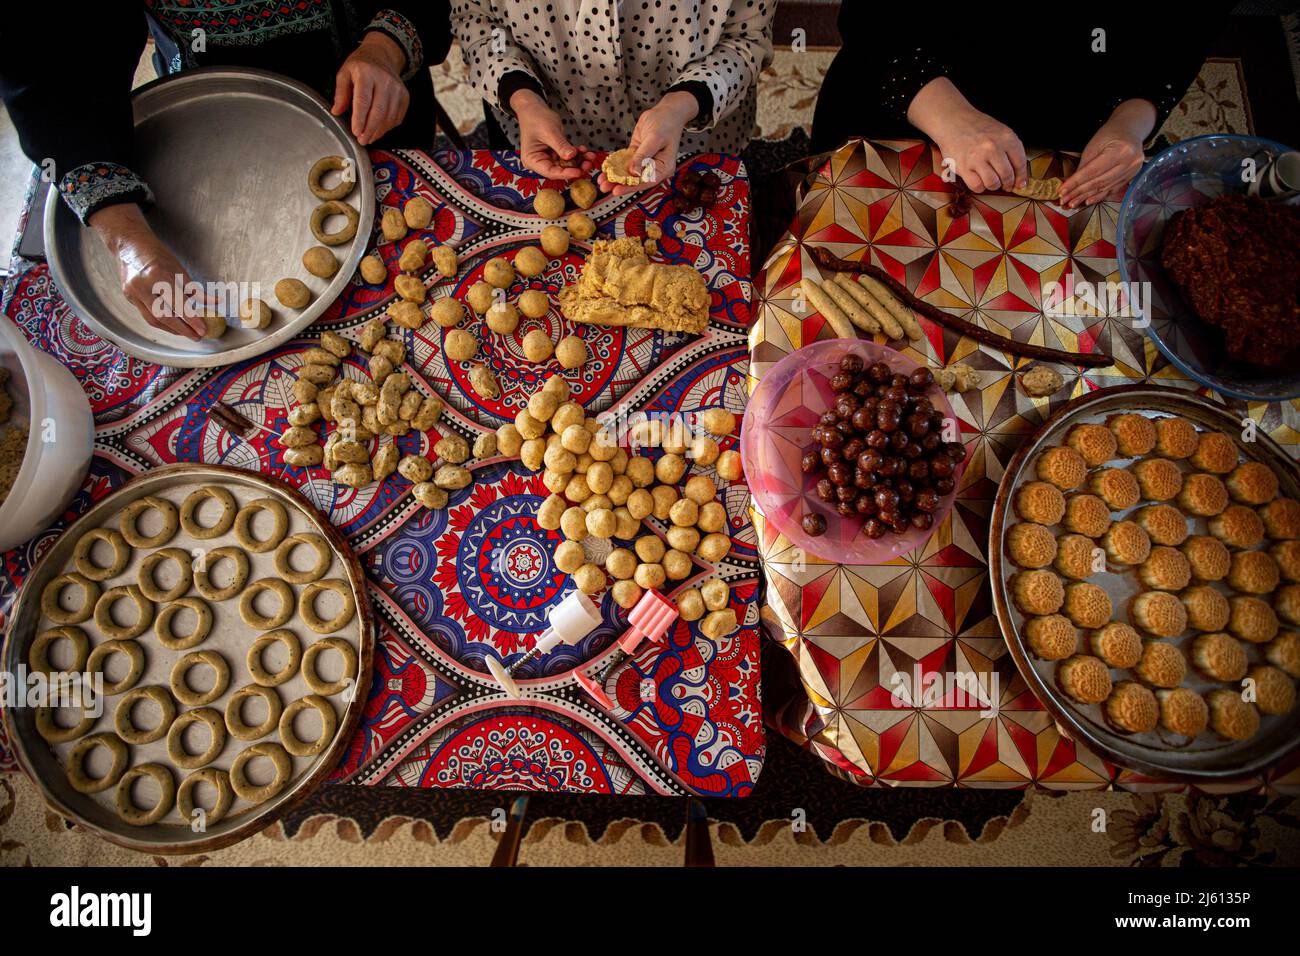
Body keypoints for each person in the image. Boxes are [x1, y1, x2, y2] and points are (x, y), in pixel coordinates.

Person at [0, 4, 451, 339]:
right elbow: (47, 71)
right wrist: (127, 239)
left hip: (370, 89)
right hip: (209, 110)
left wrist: (385, 46)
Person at [810, 8, 1230, 208]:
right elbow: (873, 19)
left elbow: (1183, 38)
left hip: (1073, 121)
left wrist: (1131, 120)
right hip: (904, 96)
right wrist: (949, 115)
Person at [452, 1, 774, 195]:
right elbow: (475, 21)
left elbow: (747, 38)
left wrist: (683, 104)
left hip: (694, 134)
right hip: (544, 131)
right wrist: (523, 100)